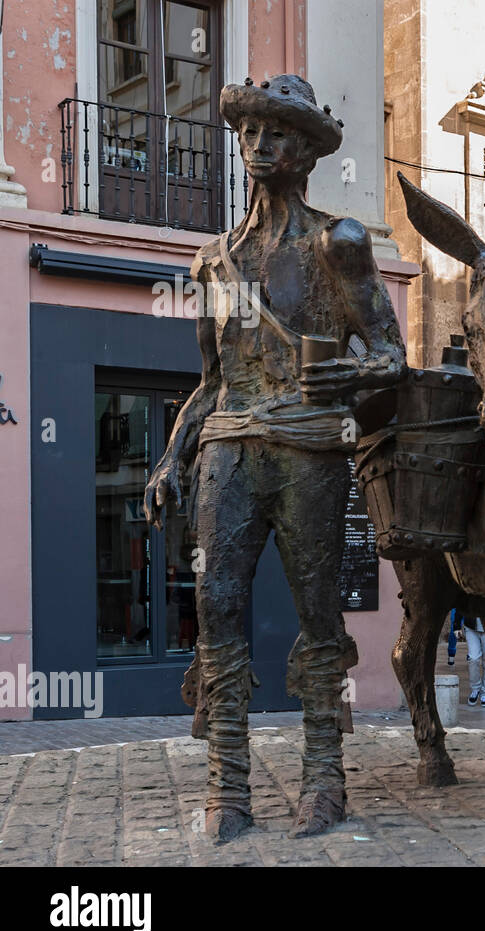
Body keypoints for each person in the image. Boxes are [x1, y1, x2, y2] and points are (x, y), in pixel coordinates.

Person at [142, 75, 406, 841]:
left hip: (308, 448)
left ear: (308, 152)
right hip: (228, 446)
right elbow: (211, 382)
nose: (258, 147)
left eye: (276, 135)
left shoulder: (340, 243)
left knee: (319, 612)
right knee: (217, 605)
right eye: (249, 134)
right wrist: (168, 460)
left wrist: (354, 373)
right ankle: (229, 785)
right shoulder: (213, 260)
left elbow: (392, 353)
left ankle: (324, 778)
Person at [453, 608, 485, 707]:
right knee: (473, 659)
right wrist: (456, 625)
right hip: (471, 627)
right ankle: (475, 689)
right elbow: (462, 601)